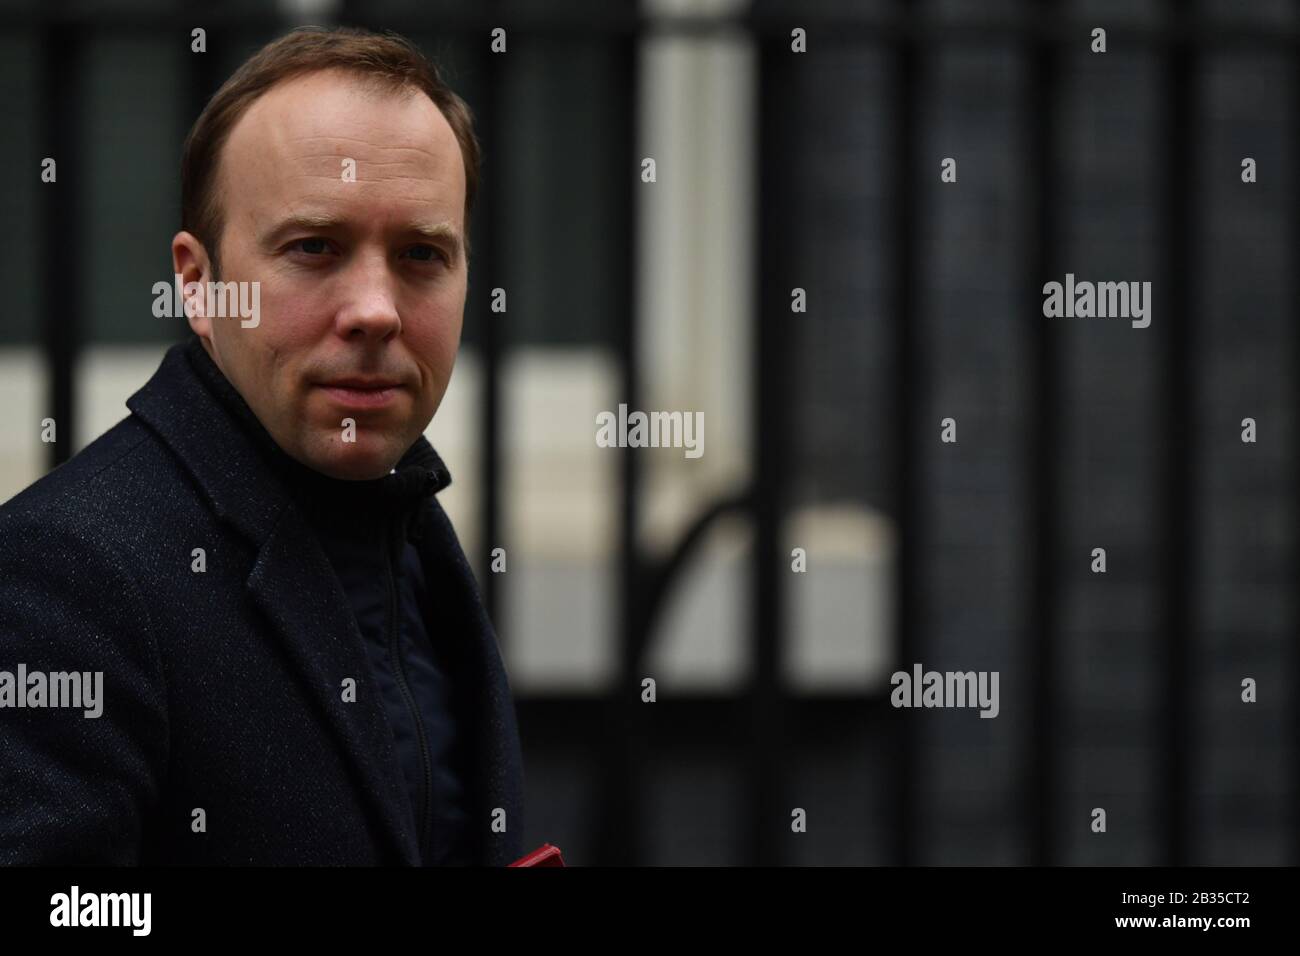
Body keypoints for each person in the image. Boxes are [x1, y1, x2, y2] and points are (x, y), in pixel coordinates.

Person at [0, 25, 524, 865]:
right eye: (314, 248)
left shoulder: (411, 537)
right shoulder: (62, 573)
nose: (376, 310)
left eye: (423, 254)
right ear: (198, 283)